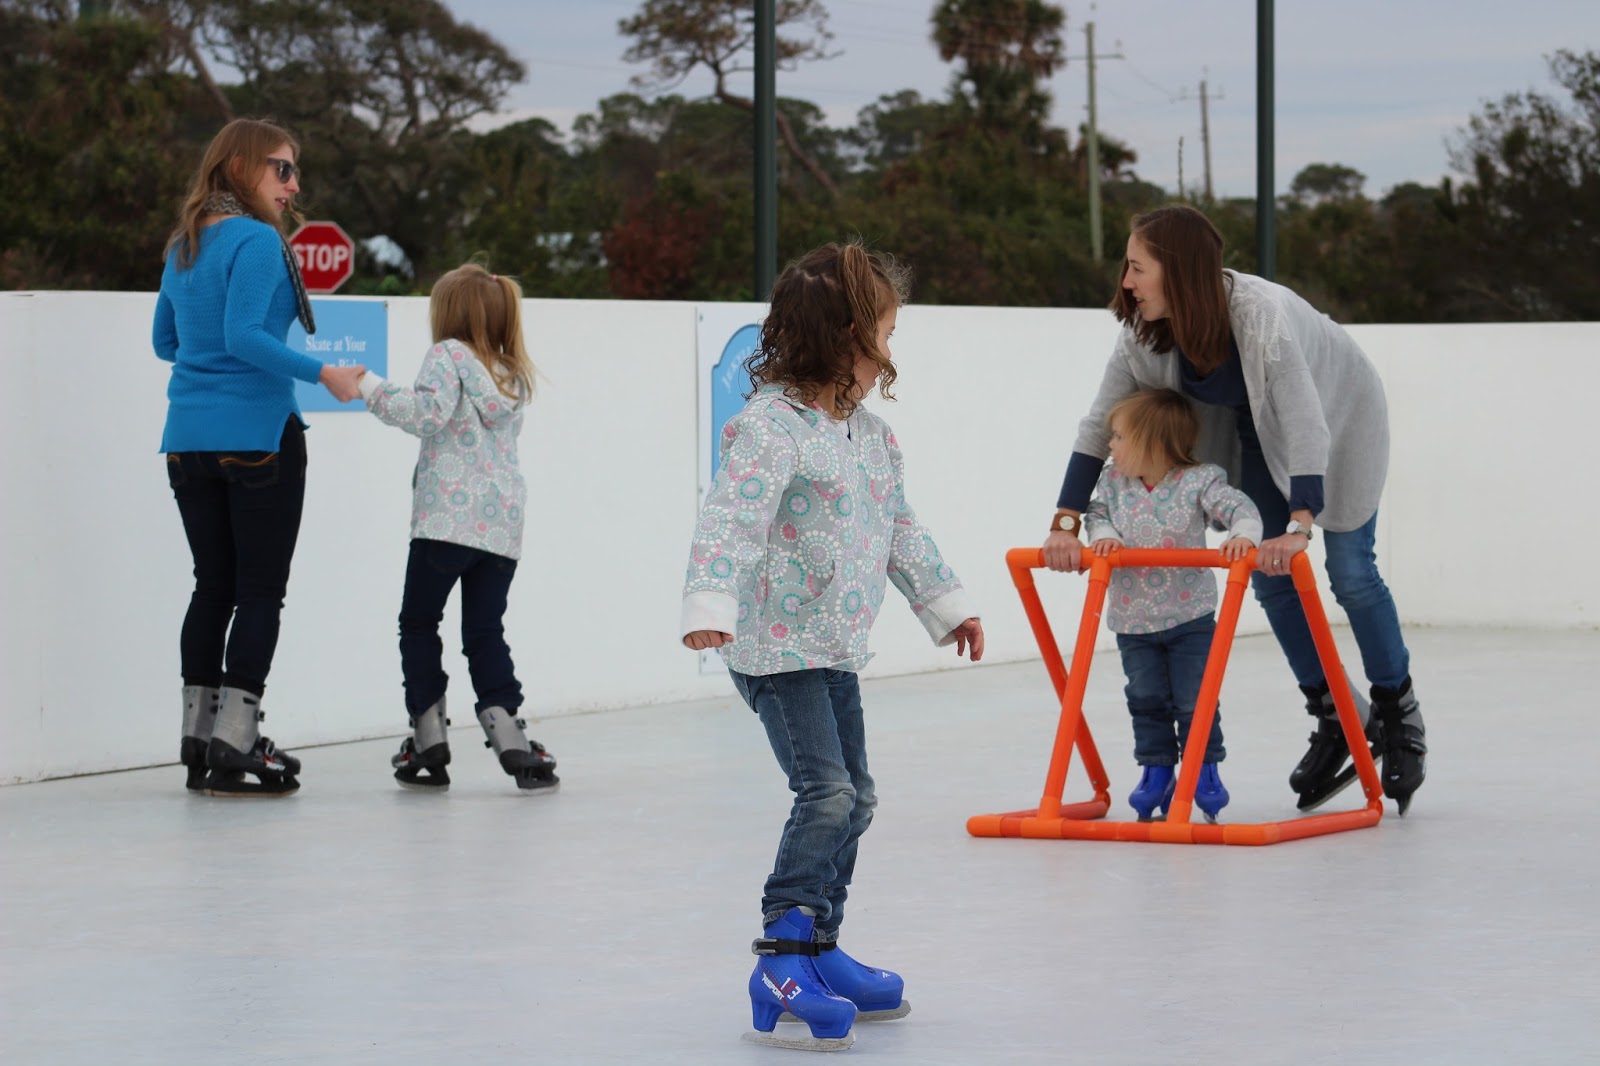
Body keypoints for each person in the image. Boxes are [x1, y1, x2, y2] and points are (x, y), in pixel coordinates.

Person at [679, 242, 983, 1051]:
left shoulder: (871, 438)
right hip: (775, 647)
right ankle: (780, 958)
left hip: (834, 644)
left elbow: (900, 529)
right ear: (850, 336)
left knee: (860, 796)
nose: (892, 341)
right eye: (887, 325)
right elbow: (730, 519)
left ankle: (818, 943)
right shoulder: (772, 428)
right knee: (827, 794)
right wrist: (710, 602)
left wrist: (945, 604)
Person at [1044, 203, 1427, 815]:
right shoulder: (1143, 332)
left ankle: (1397, 713)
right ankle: (1339, 718)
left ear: (1177, 270)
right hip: (1255, 429)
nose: (1126, 281)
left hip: (1338, 413)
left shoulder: (1257, 315)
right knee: (1272, 582)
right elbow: (1098, 426)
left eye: (1137, 267)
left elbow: (1305, 420)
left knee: (1350, 573)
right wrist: (1065, 520)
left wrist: (1302, 524)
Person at [154, 118, 366, 798]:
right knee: (259, 593)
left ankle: (199, 735)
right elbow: (244, 335)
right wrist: (322, 374)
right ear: (241, 168)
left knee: (211, 585)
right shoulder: (255, 240)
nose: (293, 183)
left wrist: (206, 365)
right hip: (258, 438)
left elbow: (168, 341)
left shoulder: (185, 244)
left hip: (186, 440)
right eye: (281, 168)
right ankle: (238, 739)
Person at [356, 264, 557, 795]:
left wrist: (368, 386)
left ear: (449, 312)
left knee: (419, 624)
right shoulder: (509, 370)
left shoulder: (447, 356)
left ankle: (427, 738)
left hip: (445, 521)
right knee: (484, 632)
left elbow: (425, 415)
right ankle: (511, 736)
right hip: (501, 527)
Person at [1083, 388, 1263, 822]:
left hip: (1190, 618)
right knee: (1145, 699)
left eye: (1119, 437)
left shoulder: (1198, 481)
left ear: (1153, 442)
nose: (1110, 446)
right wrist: (1104, 535)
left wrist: (1242, 533)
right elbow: (1095, 513)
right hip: (1133, 621)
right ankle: (1156, 769)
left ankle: (1204, 768)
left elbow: (1239, 507)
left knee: (1195, 699)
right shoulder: (1112, 482)